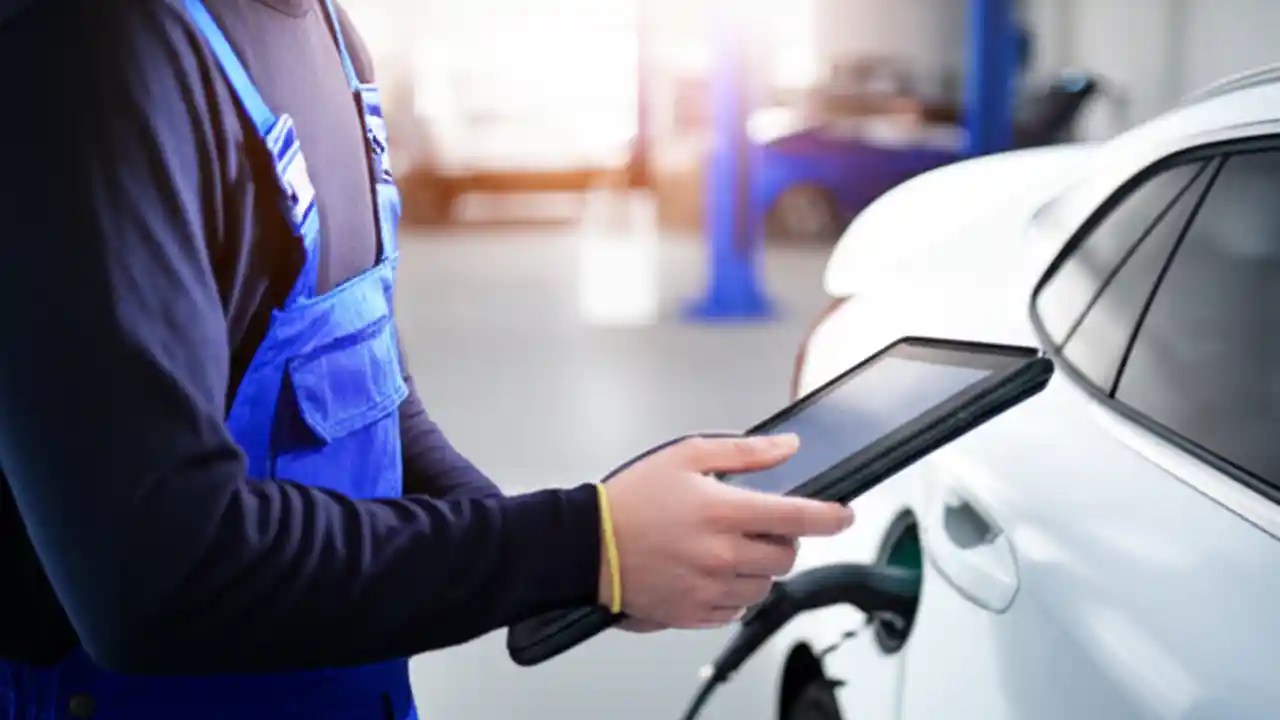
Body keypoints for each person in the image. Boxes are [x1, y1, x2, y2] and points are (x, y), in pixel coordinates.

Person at [0, 0, 854, 718]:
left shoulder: (325, 31)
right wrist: (574, 543)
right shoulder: (87, 51)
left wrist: (587, 561)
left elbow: (376, 397)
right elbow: (154, 577)